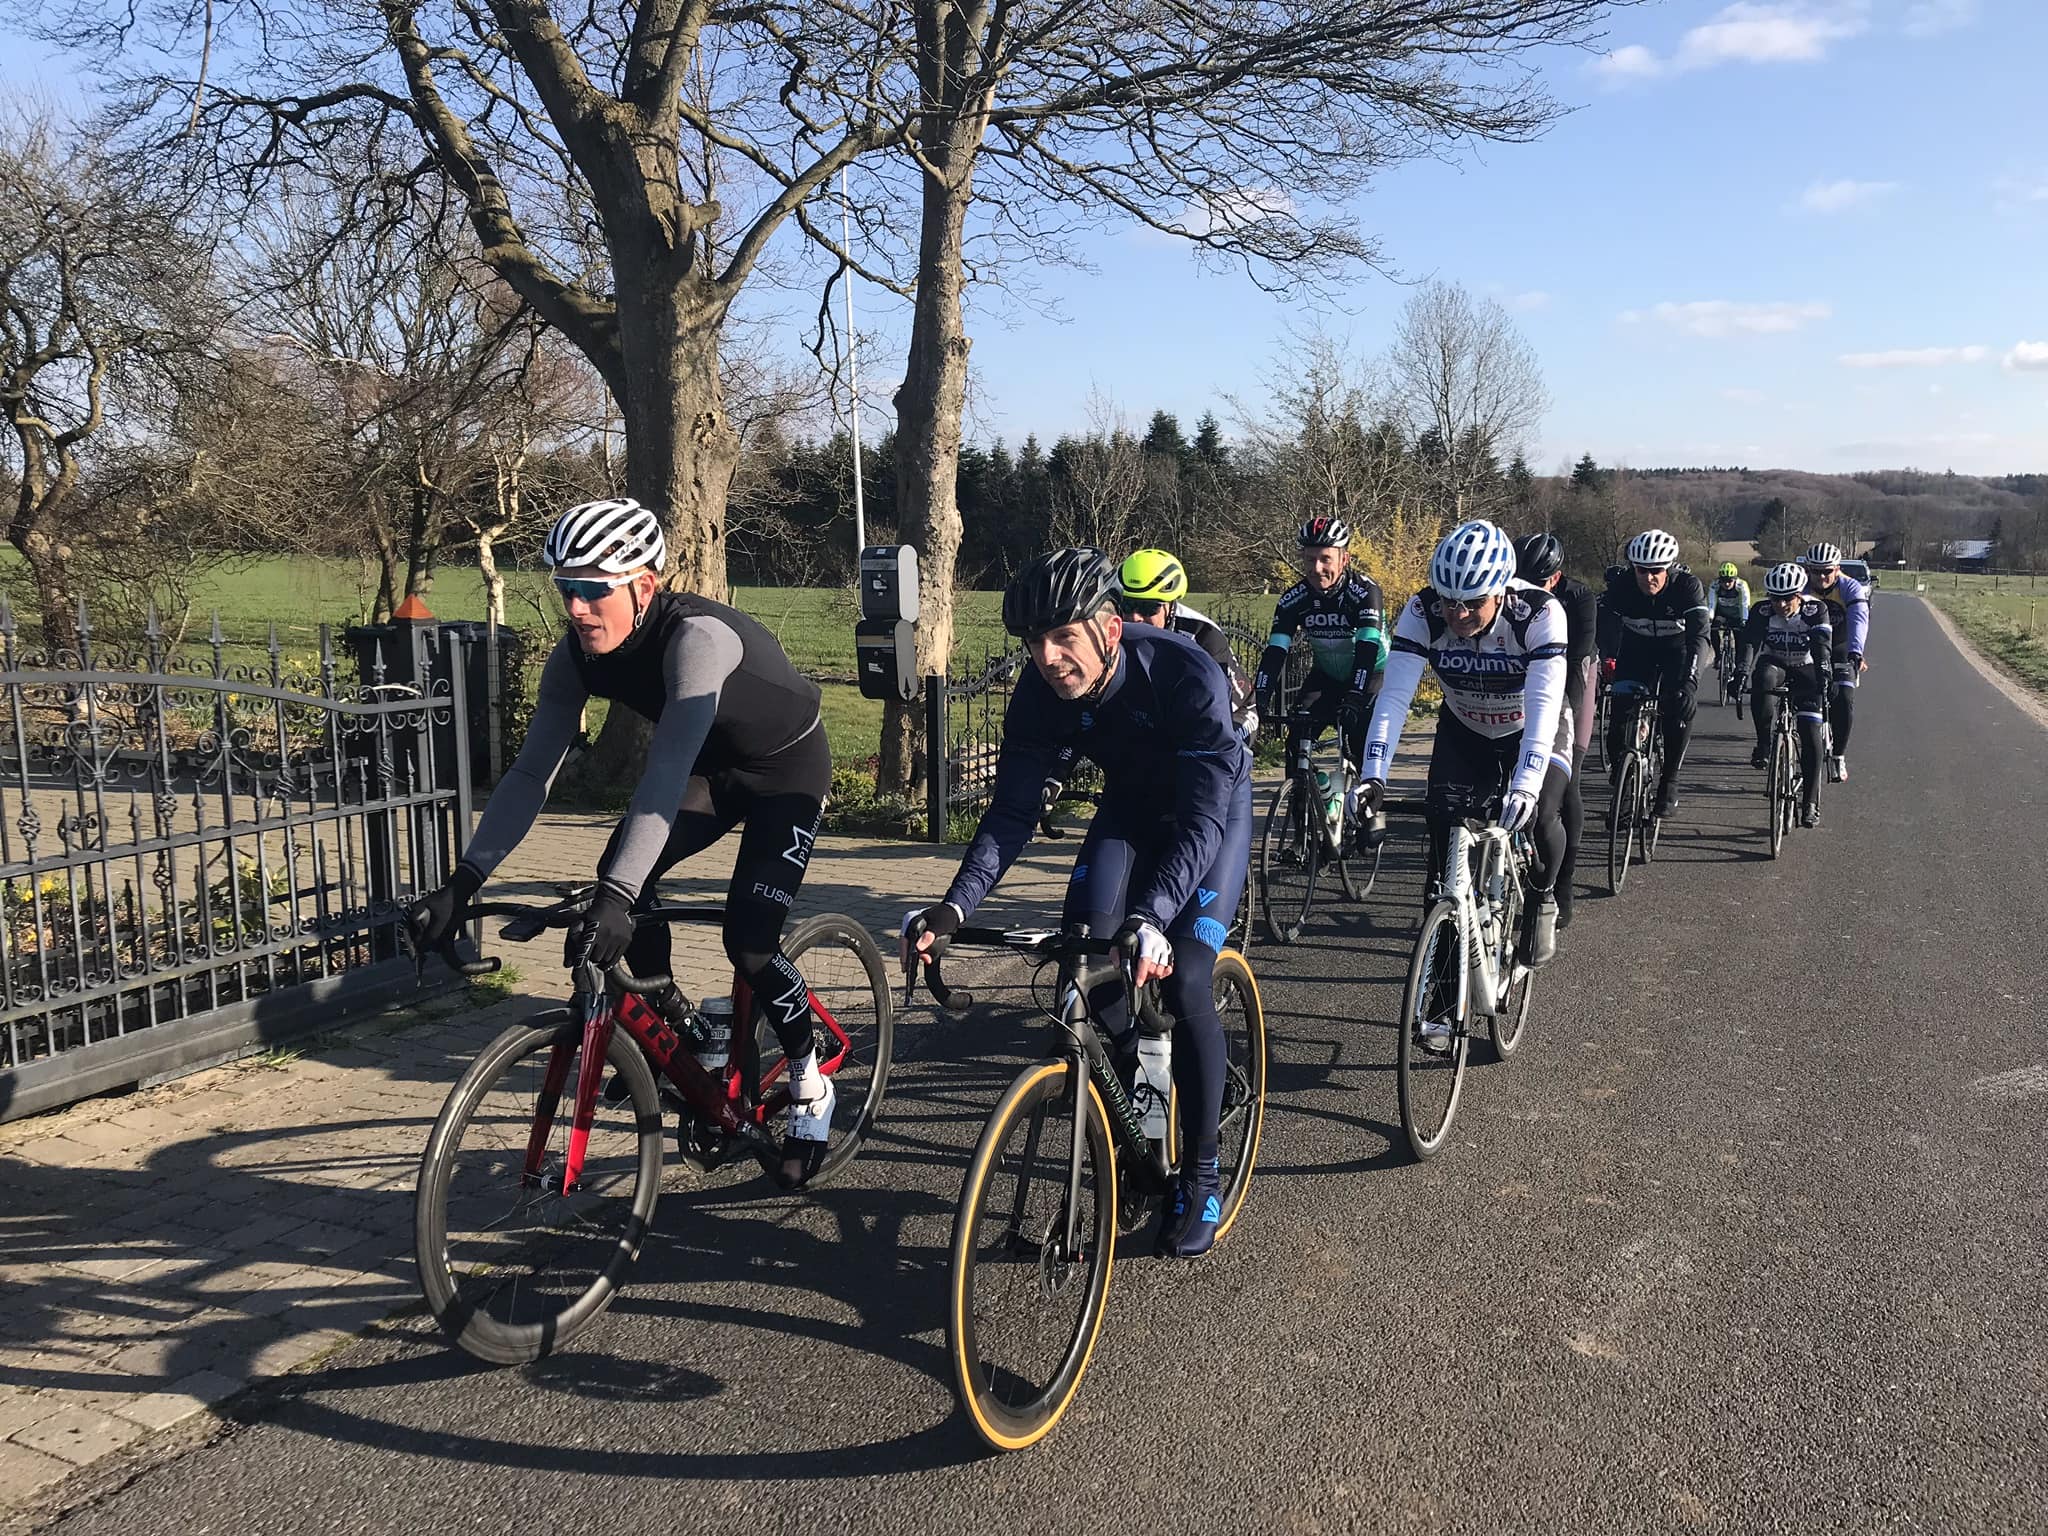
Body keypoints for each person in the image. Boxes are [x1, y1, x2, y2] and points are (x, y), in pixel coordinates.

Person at [406, 497, 836, 1186]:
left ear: (643, 585)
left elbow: (662, 774)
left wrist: (616, 897)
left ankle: (812, 1081)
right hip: (714, 773)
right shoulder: (576, 658)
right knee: (621, 874)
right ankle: (684, 1028)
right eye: (565, 589)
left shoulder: (697, 639)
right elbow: (528, 776)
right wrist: (464, 883)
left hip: (787, 770)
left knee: (749, 939)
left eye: (592, 590)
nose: (576, 608)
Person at [904, 548, 1252, 1259]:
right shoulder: (1037, 694)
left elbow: (1202, 821)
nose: (1049, 657)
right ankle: (1130, 1117)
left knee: (1185, 975)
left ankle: (1204, 1168)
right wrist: (952, 909)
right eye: (1035, 643)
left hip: (1209, 817)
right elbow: (1009, 816)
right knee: (1082, 964)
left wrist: (1153, 916)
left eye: (1064, 637)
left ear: (1109, 628)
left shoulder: (1184, 672)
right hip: (1128, 813)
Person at [1356, 520, 1571, 973]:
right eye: (1448, 601)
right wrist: (1373, 774)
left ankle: (1542, 898)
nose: (1457, 615)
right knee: (1442, 852)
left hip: (1532, 725)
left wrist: (1527, 786)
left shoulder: (1537, 613)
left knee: (1545, 811)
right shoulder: (1422, 610)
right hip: (1466, 727)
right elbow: (1394, 698)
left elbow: (1544, 704)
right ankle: (1439, 984)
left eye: (1472, 603)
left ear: (1501, 592)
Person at [1253, 516, 1386, 808]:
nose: (1317, 568)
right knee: (1296, 738)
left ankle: (1370, 805)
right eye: (1309, 559)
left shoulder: (1365, 593)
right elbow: (1275, 652)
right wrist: (1258, 700)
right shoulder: (1294, 598)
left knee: (1359, 738)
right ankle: (1302, 833)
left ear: (1344, 558)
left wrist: (1354, 695)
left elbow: (1366, 649)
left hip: (1370, 673)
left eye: (1326, 559)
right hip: (1326, 675)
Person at [1514, 532, 1596, 932]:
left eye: (1538, 582)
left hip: (1571, 681)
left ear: (1556, 578)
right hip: (1525, 686)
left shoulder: (1579, 599)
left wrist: (1560, 716)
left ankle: (1563, 884)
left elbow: (1576, 663)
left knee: (1568, 781)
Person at [1596, 529, 1709, 819]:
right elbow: (1604, 624)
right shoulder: (1622, 585)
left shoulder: (1687, 586)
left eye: (1656, 571)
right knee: (1618, 718)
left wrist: (1690, 682)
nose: (1649, 578)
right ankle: (1624, 776)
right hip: (1637, 652)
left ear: (1669, 567)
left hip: (1677, 652)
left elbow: (1699, 637)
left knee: (1677, 710)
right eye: (1642, 571)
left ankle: (1669, 781)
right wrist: (1607, 657)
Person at [1118, 548, 1258, 737]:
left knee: (1210, 747)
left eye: (1148, 608)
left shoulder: (1203, 633)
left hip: (1234, 713)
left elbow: (1221, 704)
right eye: (1127, 605)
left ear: (1170, 606)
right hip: (1168, 713)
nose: (1134, 618)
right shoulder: (1115, 624)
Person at [1739, 562, 1834, 828]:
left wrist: (1825, 673)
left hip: (1807, 667)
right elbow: (1750, 643)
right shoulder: (1762, 610)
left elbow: (1821, 646)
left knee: (1810, 730)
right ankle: (1764, 744)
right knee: (1763, 678)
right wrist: (1739, 672)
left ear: (1799, 594)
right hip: (1776, 663)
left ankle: (1810, 802)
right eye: (1774, 597)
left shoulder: (1816, 609)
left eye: (1787, 598)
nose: (1780, 604)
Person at [1799, 543, 1868, 782]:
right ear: (1807, 569)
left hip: (1839, 648)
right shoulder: (1802, 587)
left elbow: (1859, 620)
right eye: (1815, 571)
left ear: (1837, 569)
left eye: (1827, 571)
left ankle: (1838, 755)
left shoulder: (1850, 587)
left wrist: (1856, 651)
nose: (1821, 577)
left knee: (1844, 699)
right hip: (1808, 648)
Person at [1707, 562, 1752, 666]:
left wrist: (1744, 620)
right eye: (1723, 581)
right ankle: (1718, 656)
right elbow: (1711, 603)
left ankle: (1737, 663)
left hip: (1737, 615)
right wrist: (1709, 618)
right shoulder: (1715, 585)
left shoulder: (1741, 585)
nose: (1726, 584)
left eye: (1730, 581)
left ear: (1735, 579)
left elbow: (1745, 604)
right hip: (1721, 614)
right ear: (1719, 580)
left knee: (1740, 638)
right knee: (1713, 629)